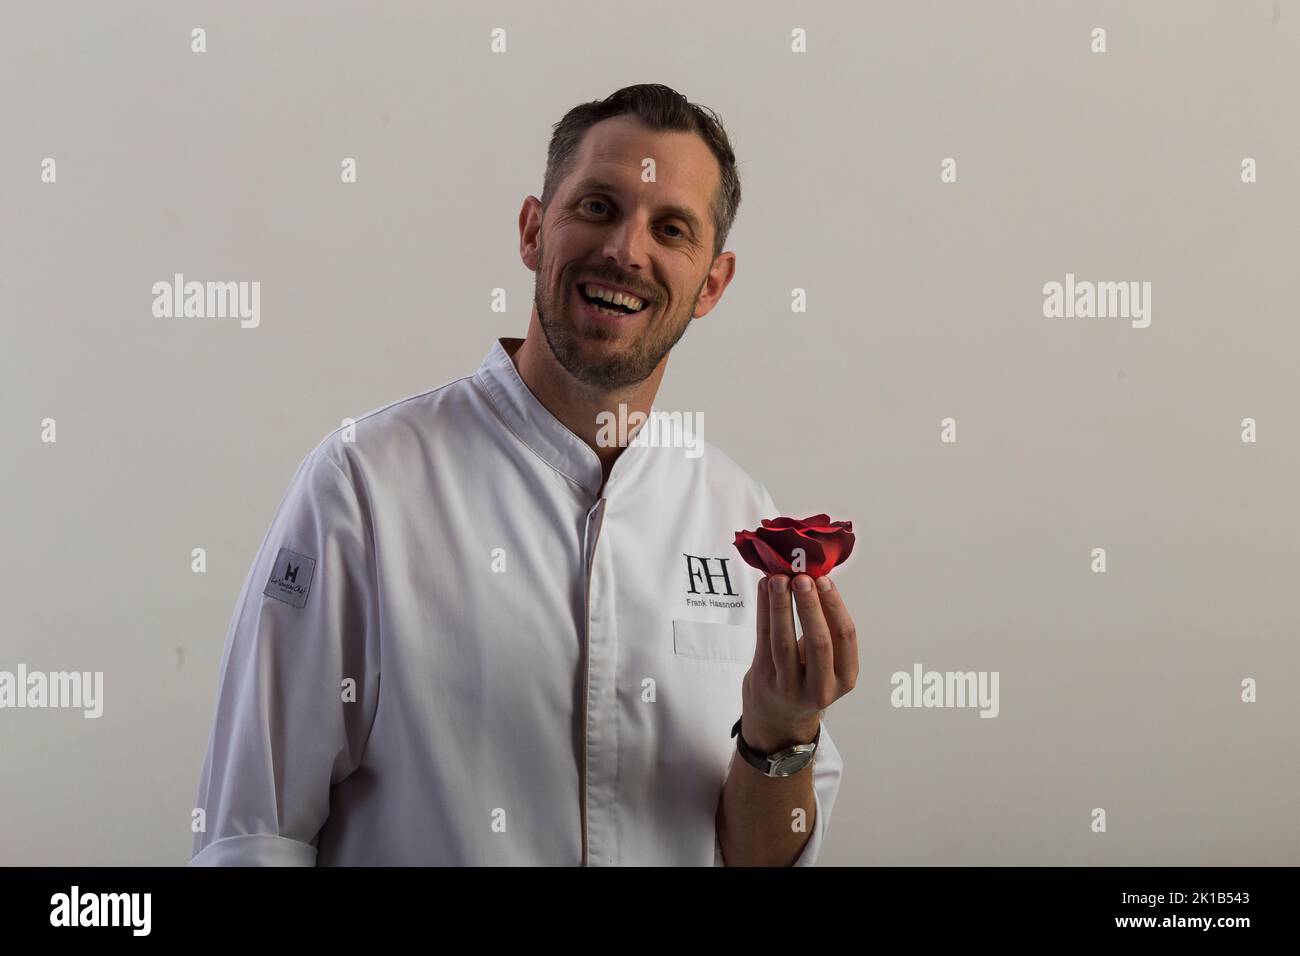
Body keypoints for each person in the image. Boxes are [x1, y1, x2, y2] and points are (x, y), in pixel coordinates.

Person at [190, 83, 857, 866]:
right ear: (534, 231)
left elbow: (759, 858)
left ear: (712, 282)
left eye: (671, 228)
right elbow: (251, 839)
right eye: (598, 207)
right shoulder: (363, 485)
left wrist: (780, 733)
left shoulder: (737, 515)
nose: (625, 251)